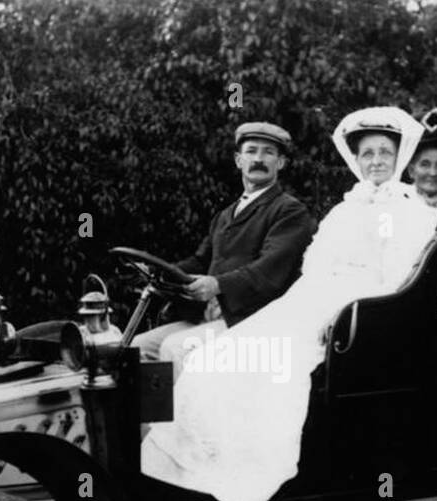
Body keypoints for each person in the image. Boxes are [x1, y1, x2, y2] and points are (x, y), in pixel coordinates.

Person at [141, 107, 437, 501]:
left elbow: (392, 276)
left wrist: (344, 309)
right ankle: (204, 464)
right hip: (312, 295)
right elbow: (315, 263)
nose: (375, 162)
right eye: (367, 154)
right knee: (223, 354)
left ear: (398, 158)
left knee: (274, 364)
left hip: (358, 304)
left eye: (384, 154)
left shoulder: (405, 211)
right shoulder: (345, 209)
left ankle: (249, 469)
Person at [132, 122, 316, 372]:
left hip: (255, 322)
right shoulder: (225, 215)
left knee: (175, 348)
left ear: (281, 163)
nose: (259, 159)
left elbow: (268, 272)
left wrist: (218, 285)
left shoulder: (288, 211)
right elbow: (200, 261)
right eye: (251, 151)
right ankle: (150, 413)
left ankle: (188, 413)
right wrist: (159, 271)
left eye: (268, 152)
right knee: (138, 347)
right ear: (239, 160)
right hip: (212, 319)